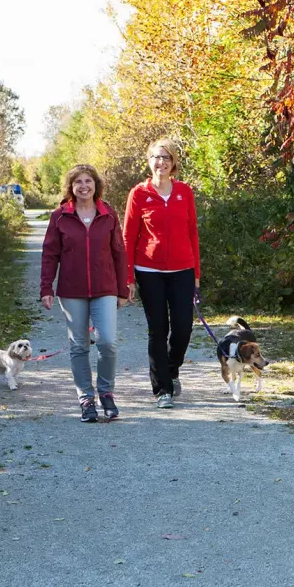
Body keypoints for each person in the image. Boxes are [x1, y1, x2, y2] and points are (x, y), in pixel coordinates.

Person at [40, 164, 130, 422]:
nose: (83, 186)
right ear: (71, 187)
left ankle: (106, 393)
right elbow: (49, 254)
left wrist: (123, 289)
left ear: (95, 185)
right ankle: (86, 398)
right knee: (79, 345)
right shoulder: (60, 216)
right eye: (77, 181)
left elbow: (119, 253)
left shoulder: (109, 214)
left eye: (88, 181)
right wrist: (46, 286)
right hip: (71, 291)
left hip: (105, 289)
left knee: (108, 342)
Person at [123, 139, 200, 409]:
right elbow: (128, 237)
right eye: (157, 157)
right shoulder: (139, 194)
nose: (161, 162)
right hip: (149, 270)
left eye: (166, 157)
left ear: (174, 163)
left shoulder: (185, 192)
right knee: (158, 330)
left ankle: (171, 367)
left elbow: (192, 234)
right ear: (149, 161)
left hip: (183, 270)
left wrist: (197, 273)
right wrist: (128, 278)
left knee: (183, 328)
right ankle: (162, 389)